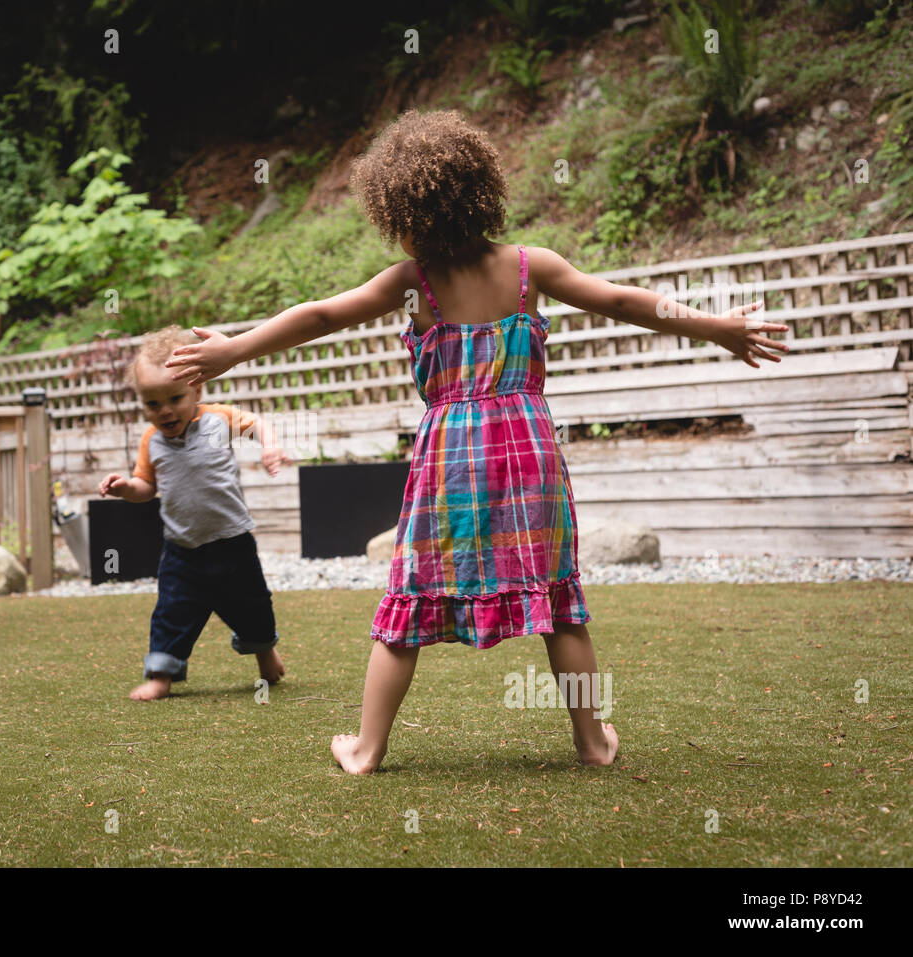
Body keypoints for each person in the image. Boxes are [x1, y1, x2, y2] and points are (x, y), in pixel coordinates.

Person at [163, 109, 790, 772]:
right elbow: (626, 301)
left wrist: (234, 350)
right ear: (481, 191)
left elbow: (320, 315)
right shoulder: (529, 267)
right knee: (560, 602)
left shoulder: (414, 284)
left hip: (451, 461)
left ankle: (368, 748)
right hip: (528, 454)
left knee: (412, 593)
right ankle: (591, 740)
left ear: (403, 213)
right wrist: (717, 328)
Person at [99, 324, 290, 701]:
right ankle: (161, 677)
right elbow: (146, 487)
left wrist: (270, 446)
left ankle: (265, 653)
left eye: (174, 398)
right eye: (153, 404)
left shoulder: (218, 419)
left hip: (233, 541)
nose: (165, 411)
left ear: (196, 389)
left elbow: (258, 424)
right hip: (182, 550)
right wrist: (124, 489)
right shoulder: (151, 441)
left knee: (253, 604)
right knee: (171, 612)